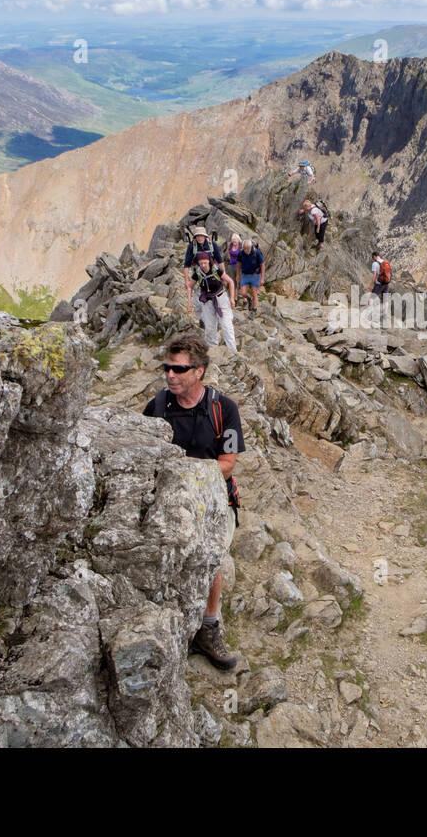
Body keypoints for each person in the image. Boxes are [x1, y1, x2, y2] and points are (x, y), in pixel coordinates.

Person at [142, 334, 245, 671]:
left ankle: (208, 626)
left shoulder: (224, 409)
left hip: (212, 501)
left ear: (199, 371)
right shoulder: (156, 408)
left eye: (179, 369)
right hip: (167, 500)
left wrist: (181, 470)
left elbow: (228, 464)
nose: (171, 375)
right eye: (167, 368)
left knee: (211, 557)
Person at [187, 249, 237, 351]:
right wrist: (189, 302)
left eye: (205, 263)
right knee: (209, 328)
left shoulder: (216, 270)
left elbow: (230, 282)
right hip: (207, 302)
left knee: (227, 326)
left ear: (209, 261)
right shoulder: (198, 273)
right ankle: (213, 351)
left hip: (221, 299)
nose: (203, 265)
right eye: (201, 263)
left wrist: (232, 299)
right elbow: (189, 286)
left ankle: (233, 351)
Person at [183, 226, 225, 327]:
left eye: (201, 235)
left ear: (205, 236)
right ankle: (203, 319)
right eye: (198, 236)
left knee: (216, 296)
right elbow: (187, 264)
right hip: (198, 275)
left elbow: (220, 260)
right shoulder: (191, 246)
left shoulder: (212, 244)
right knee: (199, 299)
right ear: (195, 237)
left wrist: (223, 275)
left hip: (212, 274)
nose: (200, 238)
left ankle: (217, 318)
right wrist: (186, 280)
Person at [237, 238, 264, 312]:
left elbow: (262, 265)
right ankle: (249, 299)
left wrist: (262, 278)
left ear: (250, 247)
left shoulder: (256, 252)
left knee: (254, 293)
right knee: (243, 293)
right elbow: (239, 264)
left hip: (255, 275)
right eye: (244, 248)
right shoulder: (241, 253)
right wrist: (238, 275)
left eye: (247, 249)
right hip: (245, 275)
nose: (246, 250)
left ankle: (254, 310)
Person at [369, 251, 391, 326]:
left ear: (375, 256)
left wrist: (371, 284)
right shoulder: (385, 262)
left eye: (373, 257)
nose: (373, 259)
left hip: (379, 284)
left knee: (371, 298)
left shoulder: (375, 263)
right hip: (386, 283)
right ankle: (385, 314)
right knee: (385, 299)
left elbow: (375, 275)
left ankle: (371, 314)